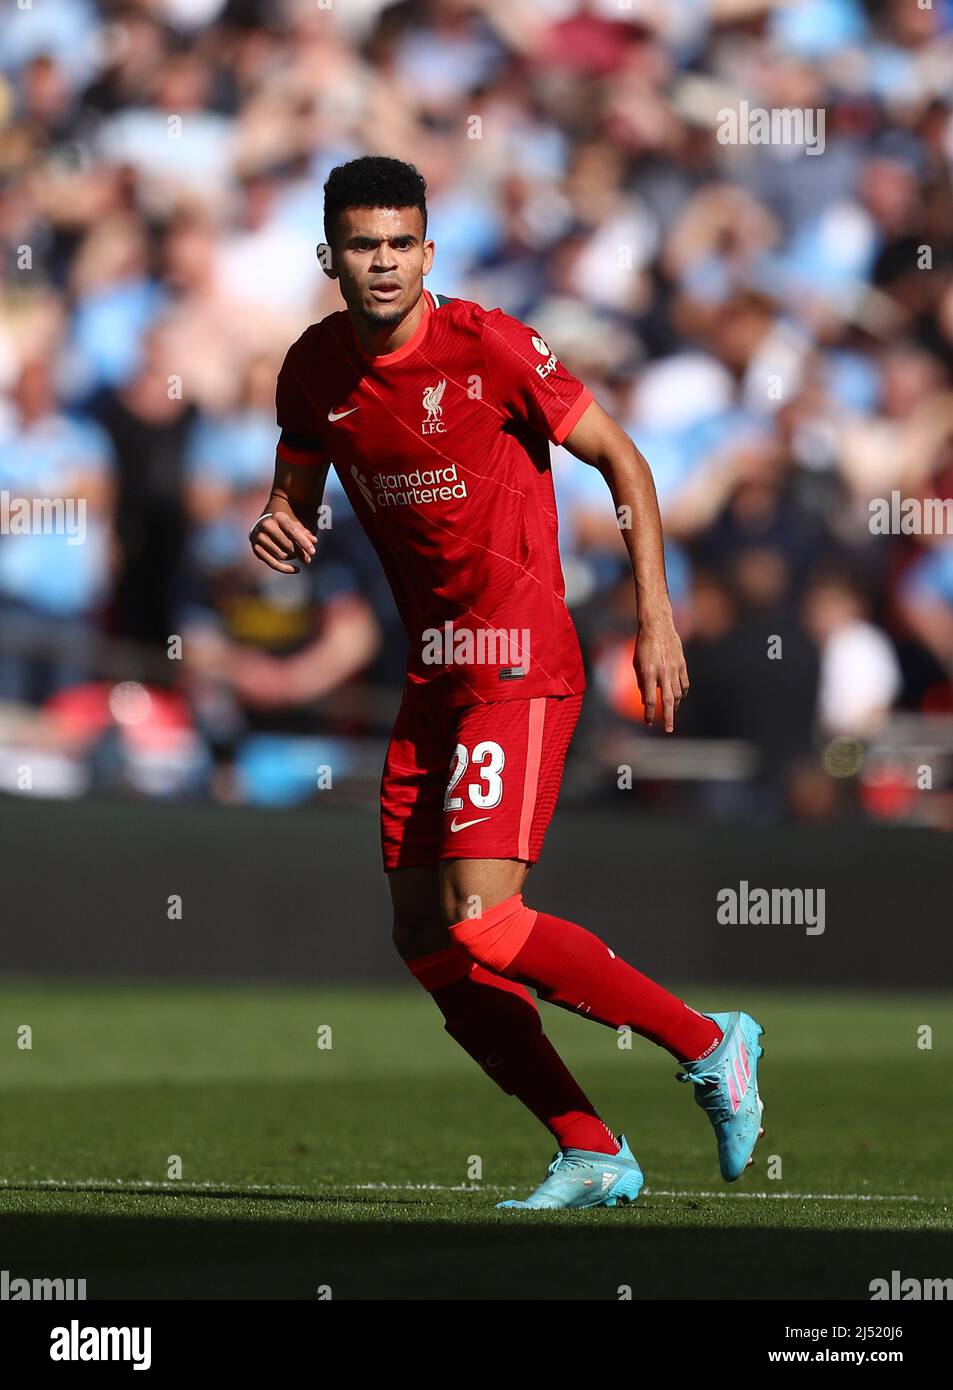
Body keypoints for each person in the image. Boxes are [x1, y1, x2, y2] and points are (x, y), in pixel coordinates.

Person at [249, 156, 765, 1210]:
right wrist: (282, 523)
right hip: (430, 674)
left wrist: (653, 619)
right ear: (330, 256)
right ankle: (590, 1143)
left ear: (427, 251)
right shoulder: (310, 368)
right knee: (423, 934)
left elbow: (622, 460)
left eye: (400, 242)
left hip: (518, 661)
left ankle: (711, 1042)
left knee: (482, 917)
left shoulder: (487, 346)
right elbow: (295, 488)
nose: (382, 262)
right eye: (362, 244)